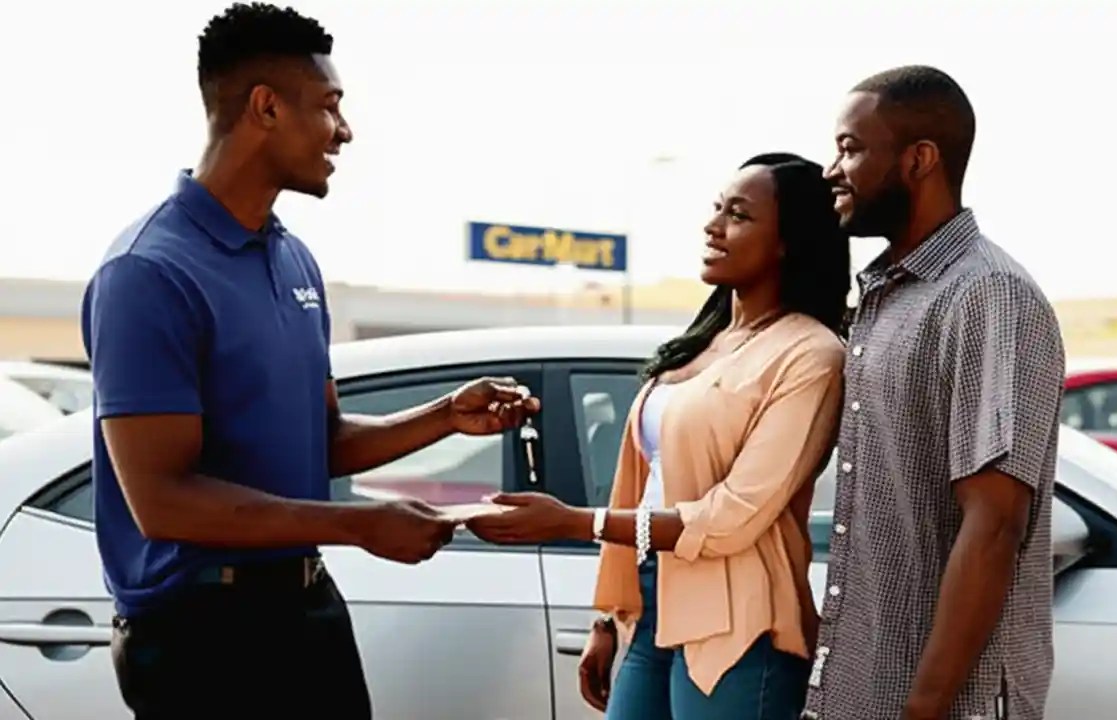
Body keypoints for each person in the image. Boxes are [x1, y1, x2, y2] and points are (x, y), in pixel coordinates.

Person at [81, 4, 539, 719]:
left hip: (307, 609)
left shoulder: (294, 259)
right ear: (266, 107)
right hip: (199, 637)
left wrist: (445, 416)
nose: (344, 130)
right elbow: (162, 499)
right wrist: (359, 525)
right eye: (329, 105)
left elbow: (320, 442)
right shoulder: (148, 272)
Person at [466, 152, 851, 719]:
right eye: (717, 208)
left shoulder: (811, 354)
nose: (713, 226)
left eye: (738, 215)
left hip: (737, 623)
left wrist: (574, 521)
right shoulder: (703, 341)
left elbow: (732, 517)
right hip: (652, 605)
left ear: (788, 243)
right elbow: (641, 483)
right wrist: (608, 616)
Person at [801, 65, 1065, 720]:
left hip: (948, 705)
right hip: (863, 689)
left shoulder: (987, 294)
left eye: (850, 149)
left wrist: (923, 709)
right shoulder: (886, 295)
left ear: (919, 160)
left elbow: (994, 524)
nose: (832, 171)